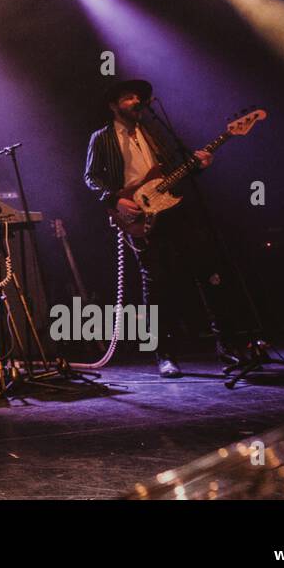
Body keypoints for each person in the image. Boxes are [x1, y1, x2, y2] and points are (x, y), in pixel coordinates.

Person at [83, 79, 240, 377]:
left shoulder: (154, 132)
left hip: (173, 208)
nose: (135, 101)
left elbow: (172, 170)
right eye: (128, 98)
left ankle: (227, 345)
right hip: (137, 214)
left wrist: (197, 164)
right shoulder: (101, 138)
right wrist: (116, 199)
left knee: (207, 270)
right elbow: (91, 178)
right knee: (157, 283)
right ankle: (163, 353)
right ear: (114, 106)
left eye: (137, 97)